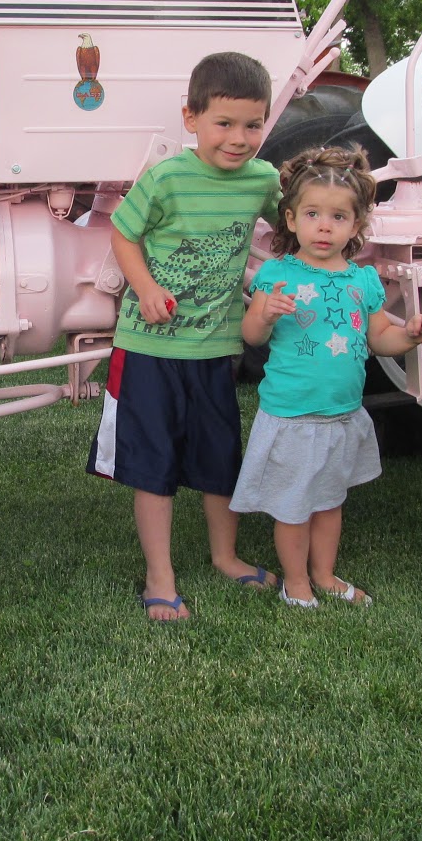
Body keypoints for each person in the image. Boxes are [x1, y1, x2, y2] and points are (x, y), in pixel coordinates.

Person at [87, 51, 283, 621]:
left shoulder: (262, 180)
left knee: (220, 457)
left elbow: (290, 221)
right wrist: (144, 286)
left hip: (216, 348)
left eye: (254, 124)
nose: (239, 138)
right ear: (191, 118)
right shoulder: (168, 177)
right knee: (154, 463)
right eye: (224, 123)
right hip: (150, 349)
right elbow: (124, 237)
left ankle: (226, 555)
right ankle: (160, 574)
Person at [231, 145, 422, 609]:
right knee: (293, 507)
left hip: (342, 415)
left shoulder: (361, 282)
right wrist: (263, 312)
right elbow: (252, 335)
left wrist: (409, 335)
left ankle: (324, 574)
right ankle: (295, 580)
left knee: (328, 504)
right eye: (313, 214)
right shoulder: (277, 273)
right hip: (293, 415)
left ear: (356, 226)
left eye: (339, 217)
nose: (324, 226)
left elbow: (379, 335)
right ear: (290, 219)